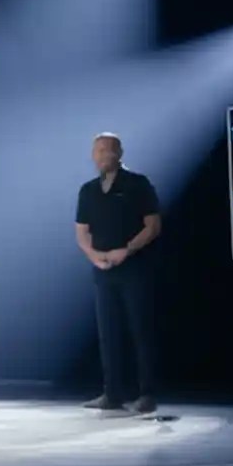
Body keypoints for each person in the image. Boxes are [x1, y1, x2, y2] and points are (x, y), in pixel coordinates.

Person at [75, 133, 162, 414]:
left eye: (108, 150)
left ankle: (147, 394)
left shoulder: (138, 184)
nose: (102, 155)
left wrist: (127, 250)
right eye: (98, 151)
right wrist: (94, 256)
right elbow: (81, 233)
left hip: (135, 268)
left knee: (140, 331)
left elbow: (152, 226)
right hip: (103, 270)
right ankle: (112, 393)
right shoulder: (87, 190)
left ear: (119, 152)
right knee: (108, 333)